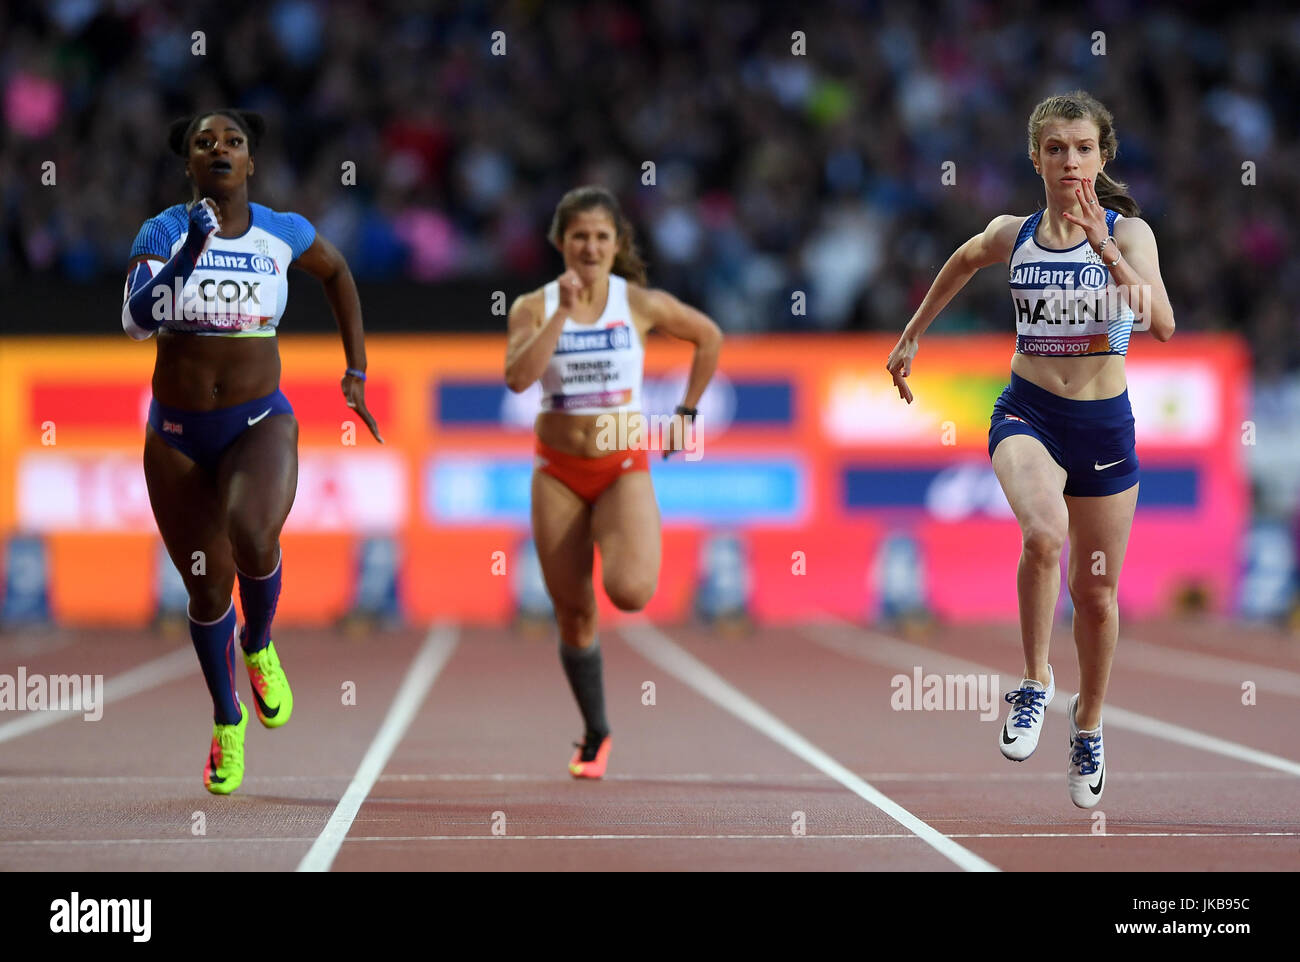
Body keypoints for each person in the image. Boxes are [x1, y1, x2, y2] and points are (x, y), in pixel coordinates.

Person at [885, 92, 1175, 807]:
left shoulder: (1128, 232)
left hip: (1104, 426)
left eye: (1082, 148)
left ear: (1102, 157)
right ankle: (1035, 680)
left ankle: (1089, 722)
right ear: (1036, 157)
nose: (1070, 161)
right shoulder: (1012, 234)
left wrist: (1102, 248)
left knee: (1097, 595)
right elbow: (960, 260)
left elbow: (1161, 322)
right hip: (1030, 414)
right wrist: (914, 333)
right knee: (1043, 536)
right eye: (1056, 148)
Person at [121, 110, 383, 795]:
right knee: (207, 586)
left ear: (250, 163)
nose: (219, 149)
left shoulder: (283, 231)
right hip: (177, 435)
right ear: (189, 164)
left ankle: (260, 642)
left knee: (252, 536)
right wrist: (188, 255)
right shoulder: (162, 231)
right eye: (204, 142)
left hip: (259, 420)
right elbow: (133, 323)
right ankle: (227, 719)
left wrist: (355, 367)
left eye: (233, 142)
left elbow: (338, 272)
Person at [505, 186, 722, 778]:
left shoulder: (639, 304)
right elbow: (518, 379)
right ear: (561, 243)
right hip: (558, 471)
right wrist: (560, 315)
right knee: (573, 612)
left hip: (621, 464)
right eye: (579, 236)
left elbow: (709, 336)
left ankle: (620, 538)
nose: (591, 246)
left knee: (630, 592)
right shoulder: (532, 305)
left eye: (602, 237)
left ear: (616, 243)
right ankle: (595, 731)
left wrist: (686, 415)